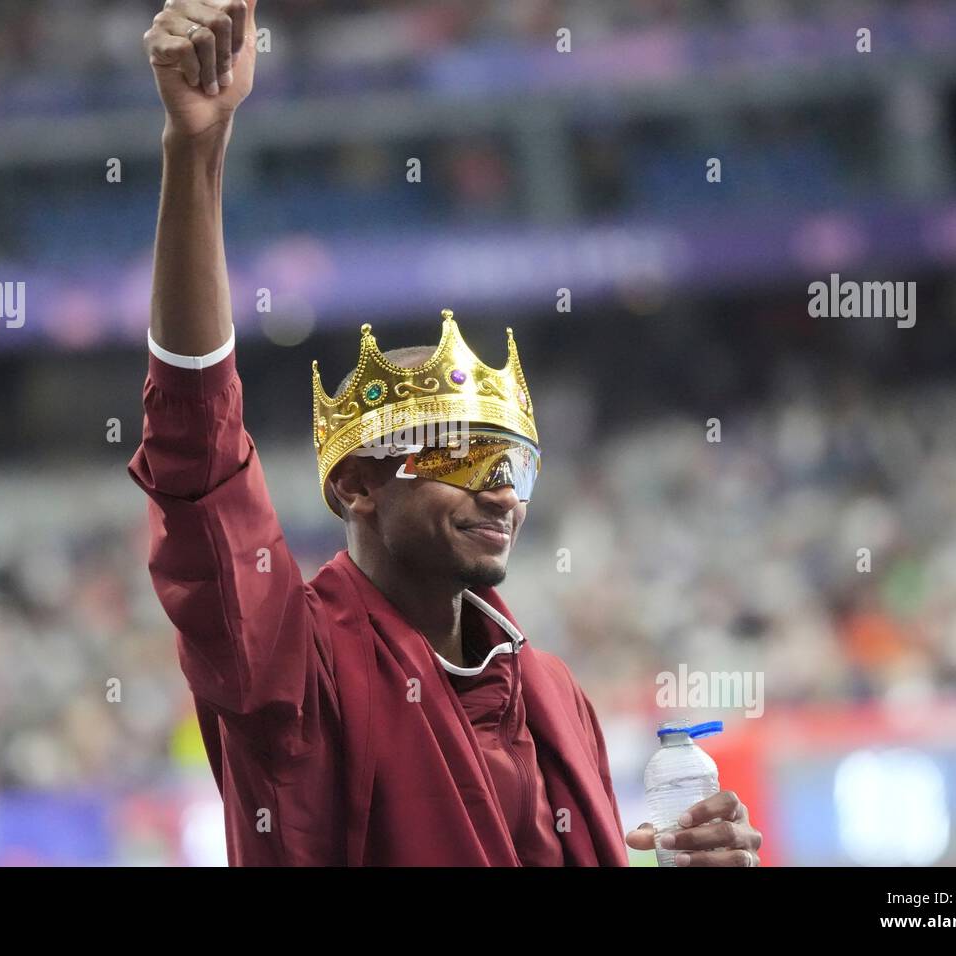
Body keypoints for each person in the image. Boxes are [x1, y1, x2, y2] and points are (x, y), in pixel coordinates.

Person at [130, 0, 764, 866]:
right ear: (356, 484)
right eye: (462, 455)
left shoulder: (551, 691)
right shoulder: (294, 663)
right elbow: (196, 458)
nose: (500, 489)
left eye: (514, 464)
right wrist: (195, 149)